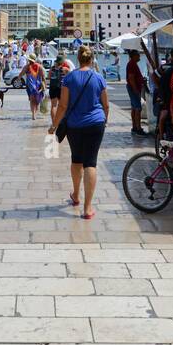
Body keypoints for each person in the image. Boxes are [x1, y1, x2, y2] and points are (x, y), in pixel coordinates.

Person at [48, 45, 108, 221]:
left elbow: (63, 106)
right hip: (96, 123)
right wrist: (105, 120)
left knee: (76, 159)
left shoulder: (70, 78)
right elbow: (106, 105)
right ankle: (88, 208)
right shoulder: (99, 77)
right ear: (91, 60)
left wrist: (54, 125)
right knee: (91, 162)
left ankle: (76, 194)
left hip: (75, 125)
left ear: (78, 59)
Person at [126, 49, 147, 135]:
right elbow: (131, 78)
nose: (139, 57)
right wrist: (135, 90)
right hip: (133, 88)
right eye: (138, 55)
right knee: (138, 108)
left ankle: (135, 126)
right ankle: (138, 128)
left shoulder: (132, 64)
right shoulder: (132, 64)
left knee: (134, 108)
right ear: (133, 56)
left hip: (133, 88)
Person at [24, 54, 46, 120]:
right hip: (38, 86)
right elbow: (43, 77)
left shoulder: (27, 66)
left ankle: (33, 114)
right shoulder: (40, 67)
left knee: (32, 100)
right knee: (37, 100)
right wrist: (45, 85)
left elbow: (21, 73)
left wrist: (19, 78)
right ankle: (34, 114)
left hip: (30, 86)